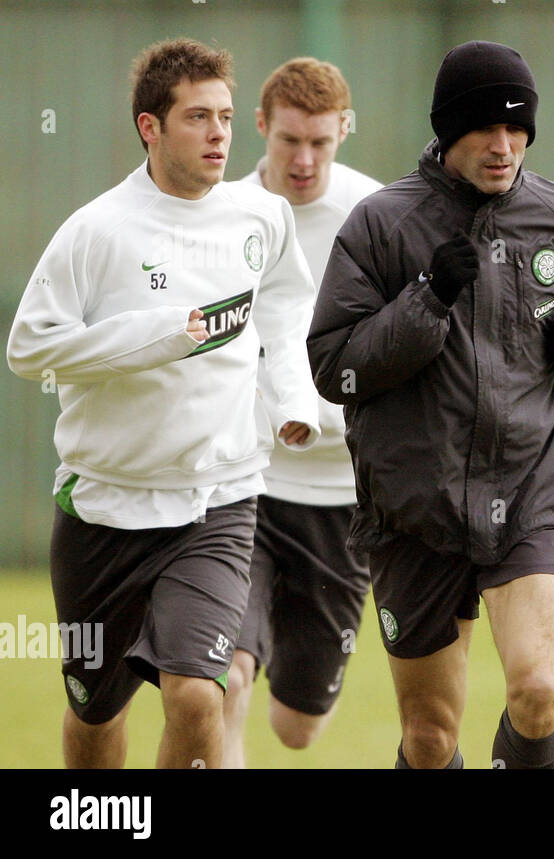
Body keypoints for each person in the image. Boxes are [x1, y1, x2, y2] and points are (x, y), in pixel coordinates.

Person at [307, 40, 554, 769]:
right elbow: (334, 366)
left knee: (539, 688)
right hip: (415, 507)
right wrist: (428, 299)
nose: (505, 145)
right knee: (429, 738)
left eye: (518, 130)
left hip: (533, 488)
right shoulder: (380, 224)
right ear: (450, 130)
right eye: (487, 128)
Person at [6, 38, 320, 769]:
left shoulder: (261, 217)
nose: (219, 135)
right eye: (197, 118)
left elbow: (283, 307)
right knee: (95, 710)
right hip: (105, 509)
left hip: (218, 499)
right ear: (150, 127)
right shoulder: (97, 231)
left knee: (196, 694)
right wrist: (158, 337)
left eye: (227, 117)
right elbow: (28, 345)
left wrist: (291, 399)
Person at [221, 57, 383, 767]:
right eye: (289, 140)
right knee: (221, 677)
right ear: (261, 126)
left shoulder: (379, 215)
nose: (304, 159)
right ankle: (242, 645)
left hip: (339, 499)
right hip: (238, 482)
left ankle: (282, 647)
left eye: (321, 141)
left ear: (345, 129)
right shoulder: (220, 214)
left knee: (295, 726)